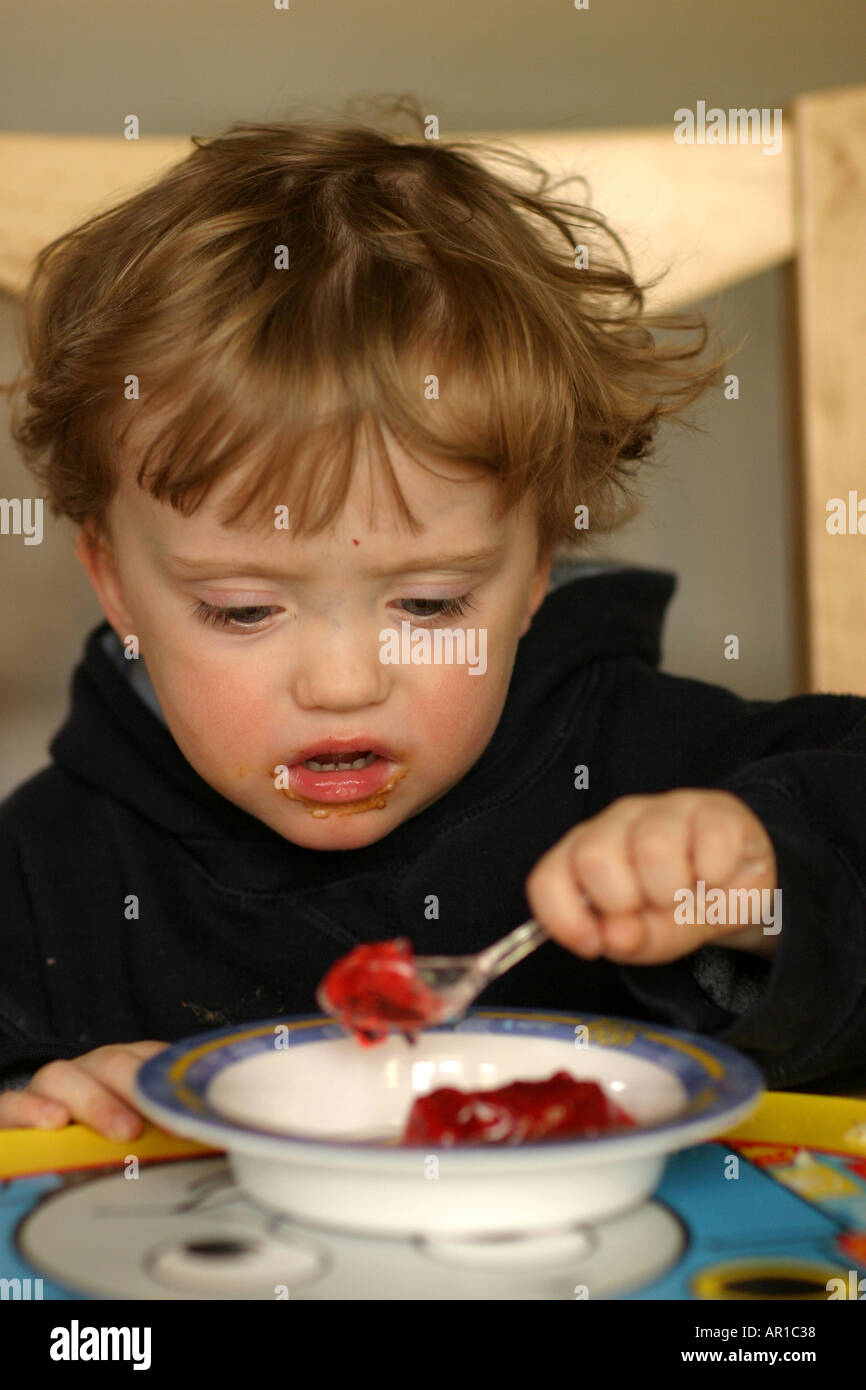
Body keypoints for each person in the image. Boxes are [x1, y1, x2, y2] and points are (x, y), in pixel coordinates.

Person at [1, 99, 864, 1142]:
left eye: (429, 602)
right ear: (116, 583)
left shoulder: (651, 765)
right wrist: (40, 1107)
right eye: (241, 609)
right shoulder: (45, 877)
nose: (342, 681)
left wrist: (769, 888)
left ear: (537, 563)